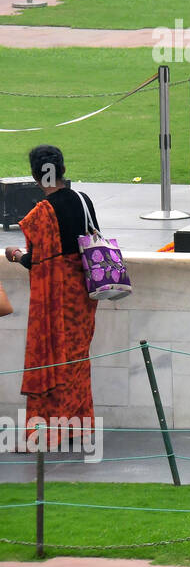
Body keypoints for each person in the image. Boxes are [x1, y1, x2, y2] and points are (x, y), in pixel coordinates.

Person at [3, 146, 98, 447]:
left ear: (36, 175)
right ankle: (79, 427)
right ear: (62, 169)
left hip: (55, 300)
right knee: (77, 360)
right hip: (83, 297)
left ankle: (51, 431)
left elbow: (38, 262)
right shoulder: (84, 200)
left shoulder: (40, 214)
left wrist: (15, 255)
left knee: (52, 361)